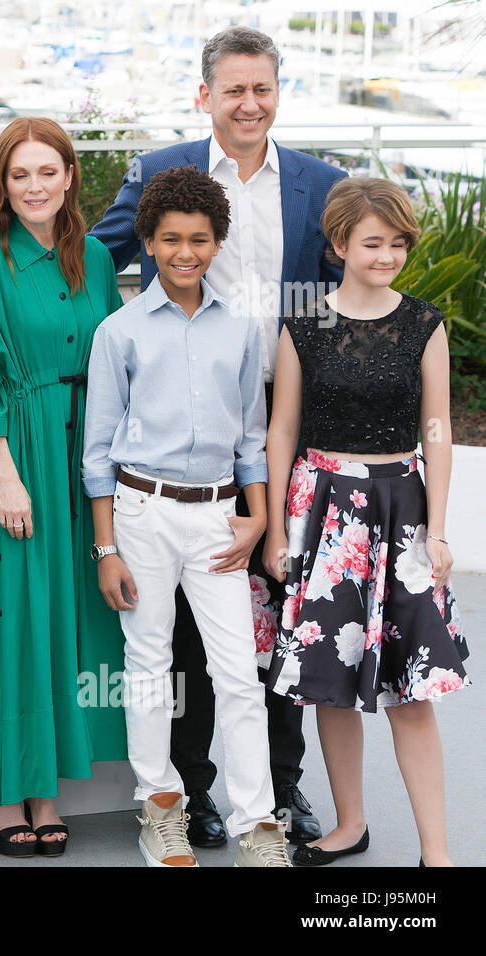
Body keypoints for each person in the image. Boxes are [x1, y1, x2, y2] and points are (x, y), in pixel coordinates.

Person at [91, 25, 346, 847]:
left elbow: (351, 298)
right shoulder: (164, 172)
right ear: (205, 95)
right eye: (232, 88)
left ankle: (280, 789)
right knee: (190, 638)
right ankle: (188, 796)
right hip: (175, 426)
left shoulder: (321, 183)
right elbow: (98, 259)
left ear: (279, 92)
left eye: (262, 88)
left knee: (277, 617)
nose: (248, 103)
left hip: (283, 420)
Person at [82, 166, 292, 867]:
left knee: (237, 673)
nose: (184, 253)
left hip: (216, 520)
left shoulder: (240, 331)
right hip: (140, 514)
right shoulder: (118, 331)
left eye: (199, 240)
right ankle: (160, 806)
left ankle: (259, 824)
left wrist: (256, 519)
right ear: (147, 241)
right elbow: (99, 451)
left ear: (218, 242)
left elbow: (252, 440)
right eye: (169, 239)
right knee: (148, 664)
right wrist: (105, 547)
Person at [264, 177, 467, 867]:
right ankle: (349, 825)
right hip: (322, 511)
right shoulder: (304, 324)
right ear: (340, 244)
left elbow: (436, 429)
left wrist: (437, 529)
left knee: (413, 688)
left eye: (398, 243)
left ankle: (436, 853)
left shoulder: (424, 323)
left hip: (402, 507)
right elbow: (281, 431)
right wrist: (273, 532)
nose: (387, 255)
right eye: (372, 242)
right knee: (331, 680)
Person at [0, 117, 128, 859]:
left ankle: (45, 788)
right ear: (1, 180)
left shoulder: (94, 254)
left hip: (85, 448)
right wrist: (6, 478)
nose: (33, 187)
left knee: (67, 619)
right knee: (12, 617)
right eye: (19, 174)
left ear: (68, 177)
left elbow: (120, 361)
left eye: (46, 172)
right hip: (18, 454)